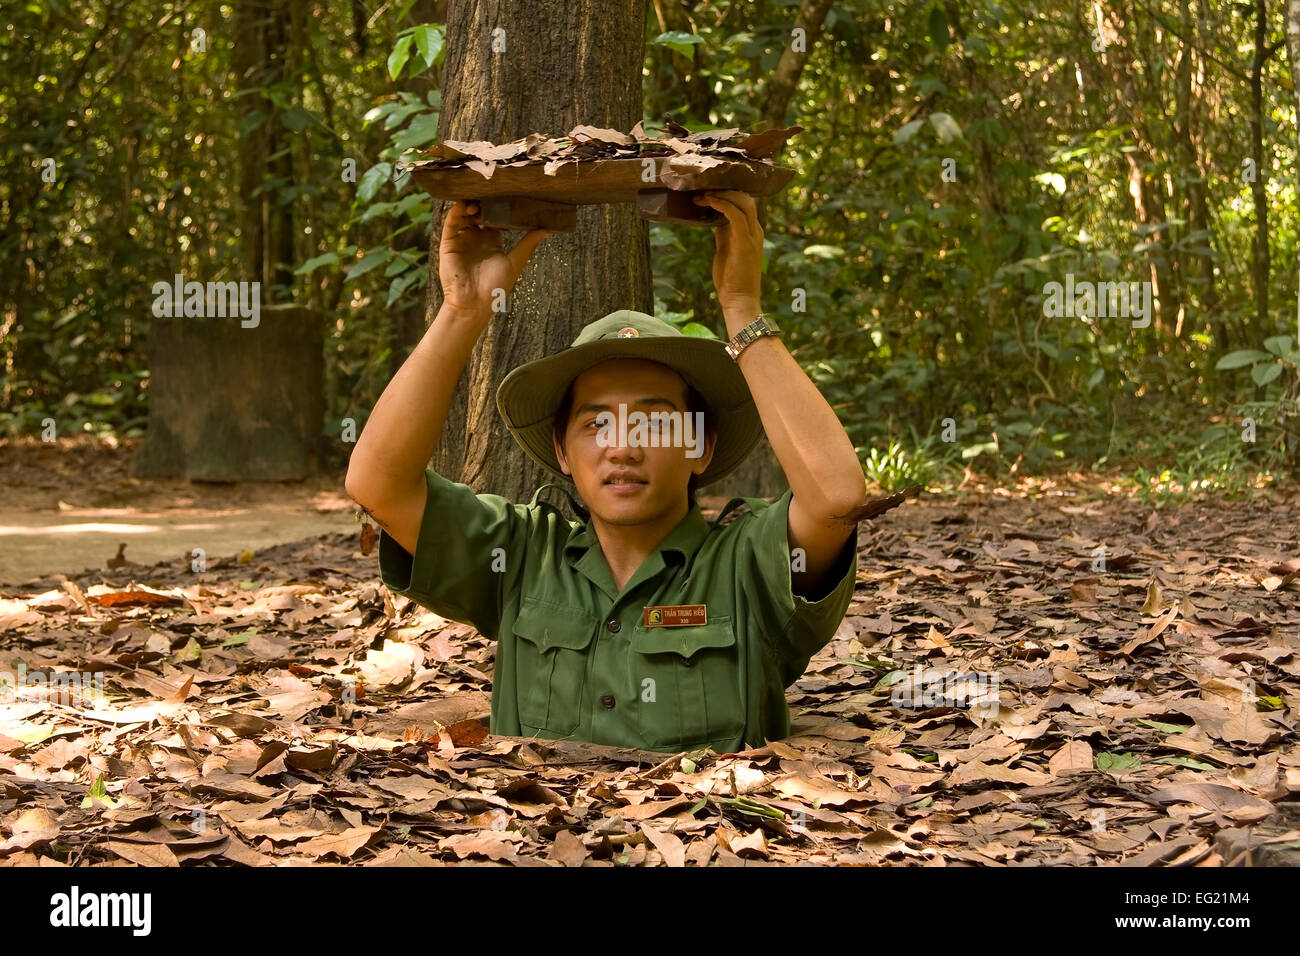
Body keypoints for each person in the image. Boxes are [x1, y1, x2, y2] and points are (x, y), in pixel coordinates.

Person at [345, 190, 869, 754]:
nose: (623, 448)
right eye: (596, 425)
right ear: (563, 453)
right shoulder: (520, 554)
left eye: (654, 422)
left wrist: (742, 308)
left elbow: (837, 498)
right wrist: (464, 310)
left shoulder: (748, 565)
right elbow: (378, 484)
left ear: (701, 446)